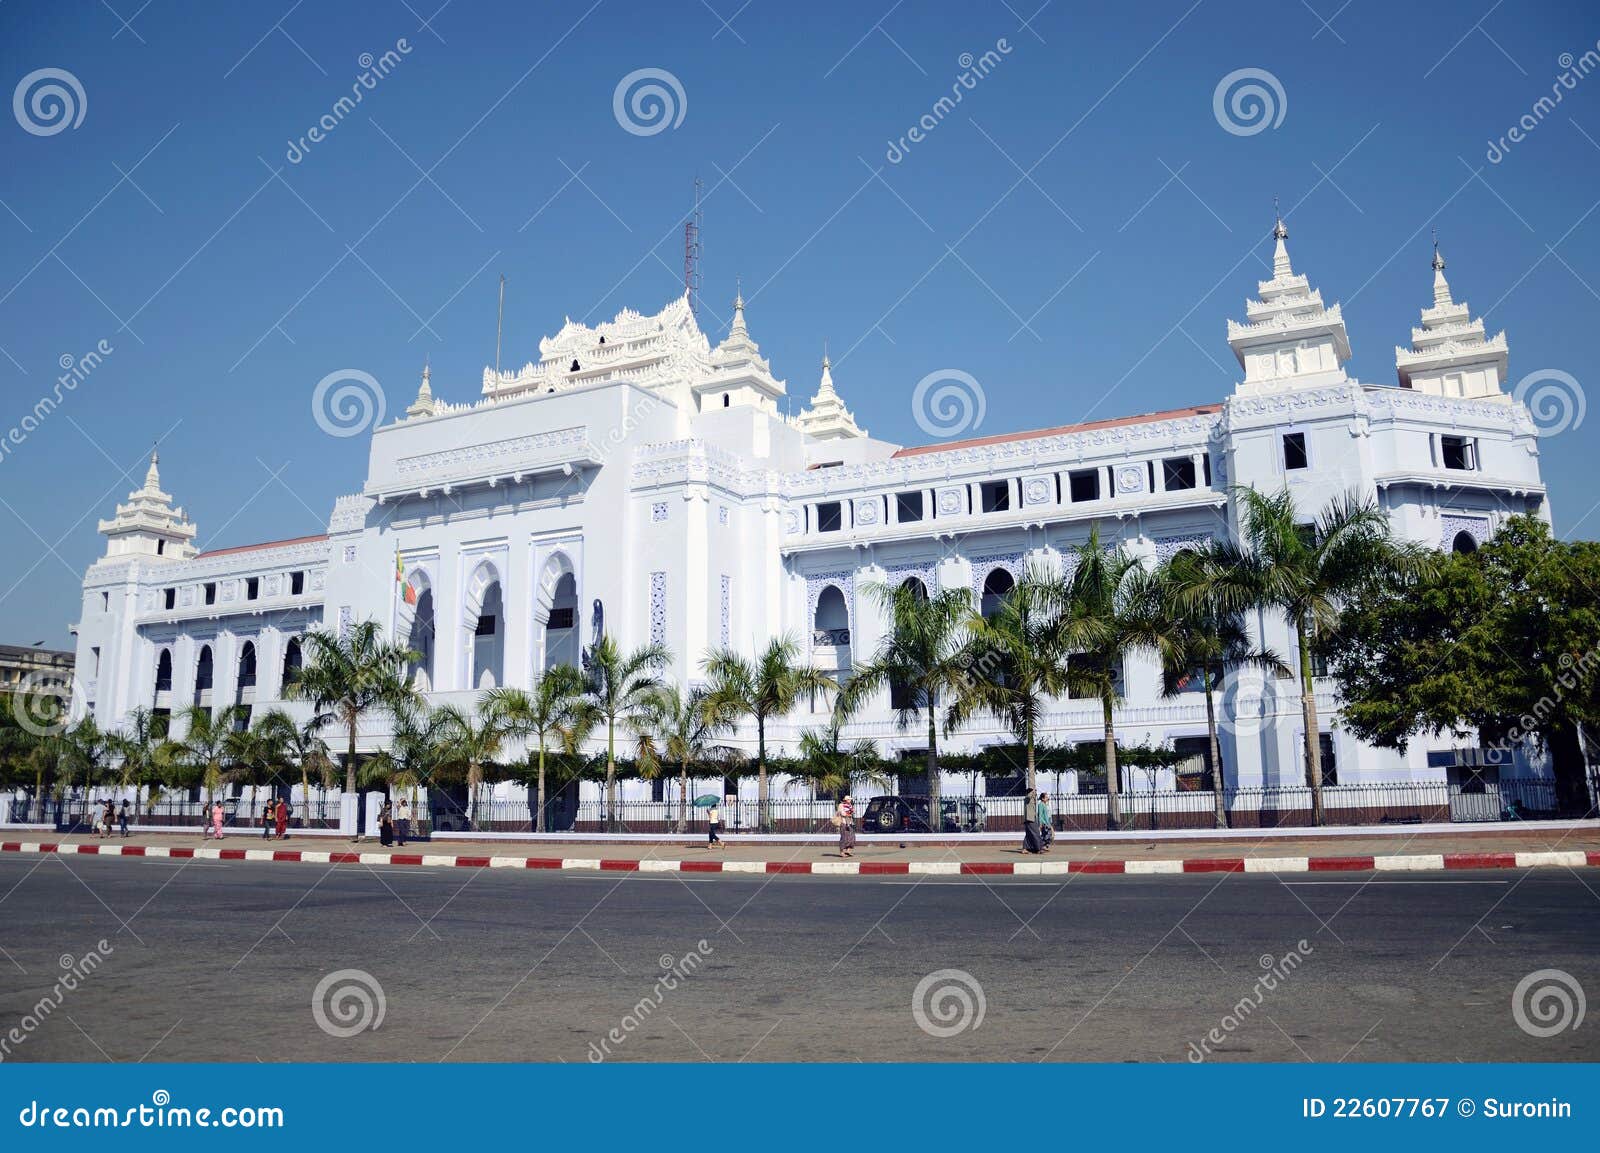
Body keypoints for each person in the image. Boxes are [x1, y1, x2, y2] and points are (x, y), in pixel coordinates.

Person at [1021, 788, 1040, 854]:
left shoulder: (1032, 799)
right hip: (1029, 819)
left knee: (1029, 834)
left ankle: (1027, 848)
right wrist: (1033, 791)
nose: (1035, 794)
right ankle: (1038, 848)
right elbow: (1029, 797)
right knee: (1036, 833)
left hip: (1032, 818)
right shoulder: (1027, 798)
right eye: (1033, 793)